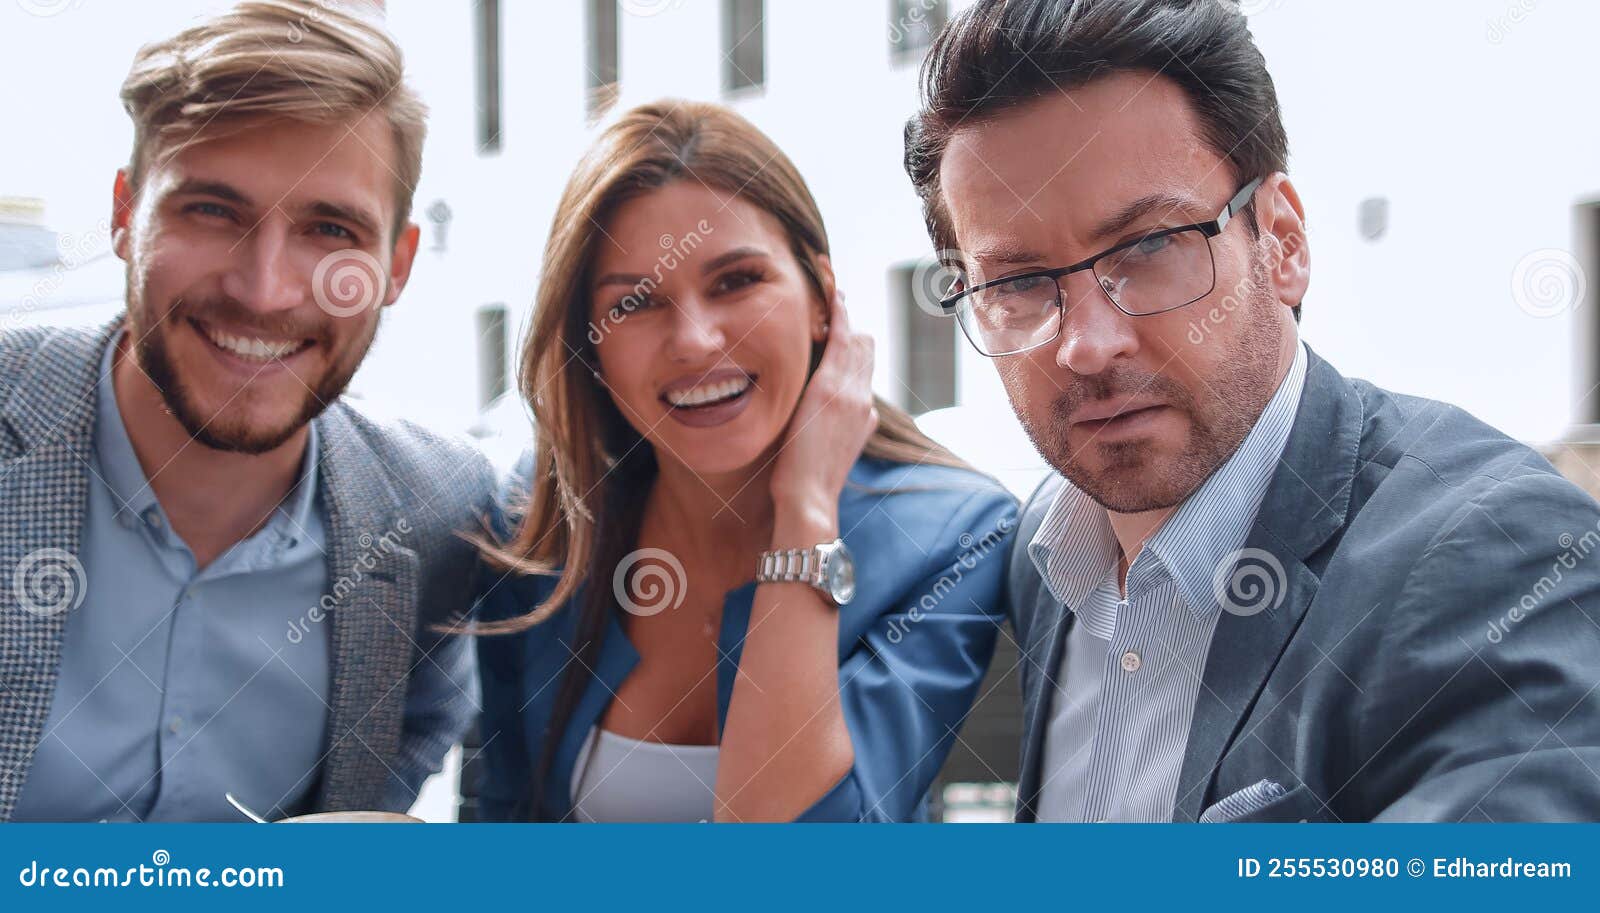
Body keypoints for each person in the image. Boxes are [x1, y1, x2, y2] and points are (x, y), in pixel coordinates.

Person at [904, 0, 1600, 821]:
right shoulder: (1046, 547)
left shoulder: (1492, 546)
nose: (1086, 346)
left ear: (1282, 243)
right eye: (1018, 282)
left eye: (1149, 246)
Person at [1, 0, 491, 822]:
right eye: (212, 210)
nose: (264, 291)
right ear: (126, 214)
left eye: (329, 228)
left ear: (396, 264)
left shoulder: (440, 513)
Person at [471, 100, 1016, 822]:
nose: (695, 340)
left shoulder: (954, 534)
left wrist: (807, 513)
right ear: (590, 345)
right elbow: (499, 827)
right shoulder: (548, 519)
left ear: (824, 299)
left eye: (736, 281)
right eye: (635, 301)